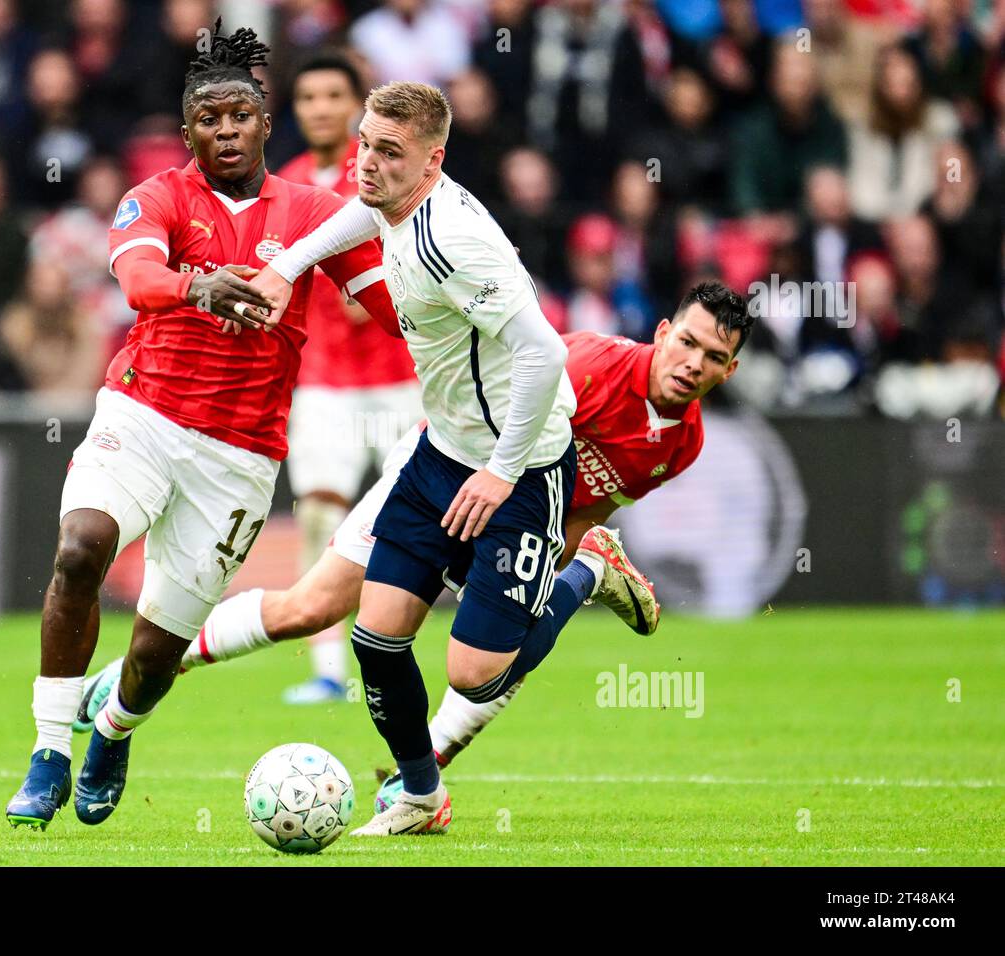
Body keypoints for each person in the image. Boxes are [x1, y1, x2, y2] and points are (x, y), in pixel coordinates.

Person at [76, 283, 754, 789]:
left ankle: (426, 771)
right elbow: (479, 421)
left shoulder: (682, 444)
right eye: (688, 342)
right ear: (663, 332)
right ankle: (152, 666)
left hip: (519, 524)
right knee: (309, 609)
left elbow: (579, 513)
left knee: (485, 662)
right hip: (440, 477)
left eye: (714, 356)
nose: (693, 362)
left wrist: (546, 571)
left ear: (728, 371)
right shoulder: (586, 368)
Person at [3, 22, 399, 831]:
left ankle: (112, 730)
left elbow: (392, 304)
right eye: (209, 119)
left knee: (154, 652)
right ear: (187, 132)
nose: (225, 131)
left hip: (240, 453)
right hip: (143, 413)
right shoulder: (156, 197)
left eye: (240, 118)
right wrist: (199, 287)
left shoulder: (317, 211)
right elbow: (140, 276)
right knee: (80, 545)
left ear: (264, 124)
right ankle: (48, 750)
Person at [252, 81, 655, 836]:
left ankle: (587, 569)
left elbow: (541, 354)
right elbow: (360, 212)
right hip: (440, 452)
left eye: (388, 152)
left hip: (524, 468)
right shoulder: (392, 194)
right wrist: (289, 265)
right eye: (366, 142)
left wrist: (502, 472)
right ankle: (419, 794)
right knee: (376, 638)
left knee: (474, 673)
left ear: (433, 160)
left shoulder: (455, 241)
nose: (366, 161)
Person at [274, 53, 421, 705]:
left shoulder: (396, 174)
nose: (321, 108)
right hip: (326, 381)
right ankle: (329, 670)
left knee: (428, 519)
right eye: (308, 97)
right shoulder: (288, 187)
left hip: (402, 376)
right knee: (319, 514)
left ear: (359, 106)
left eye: (335, 95)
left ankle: (401, 651)